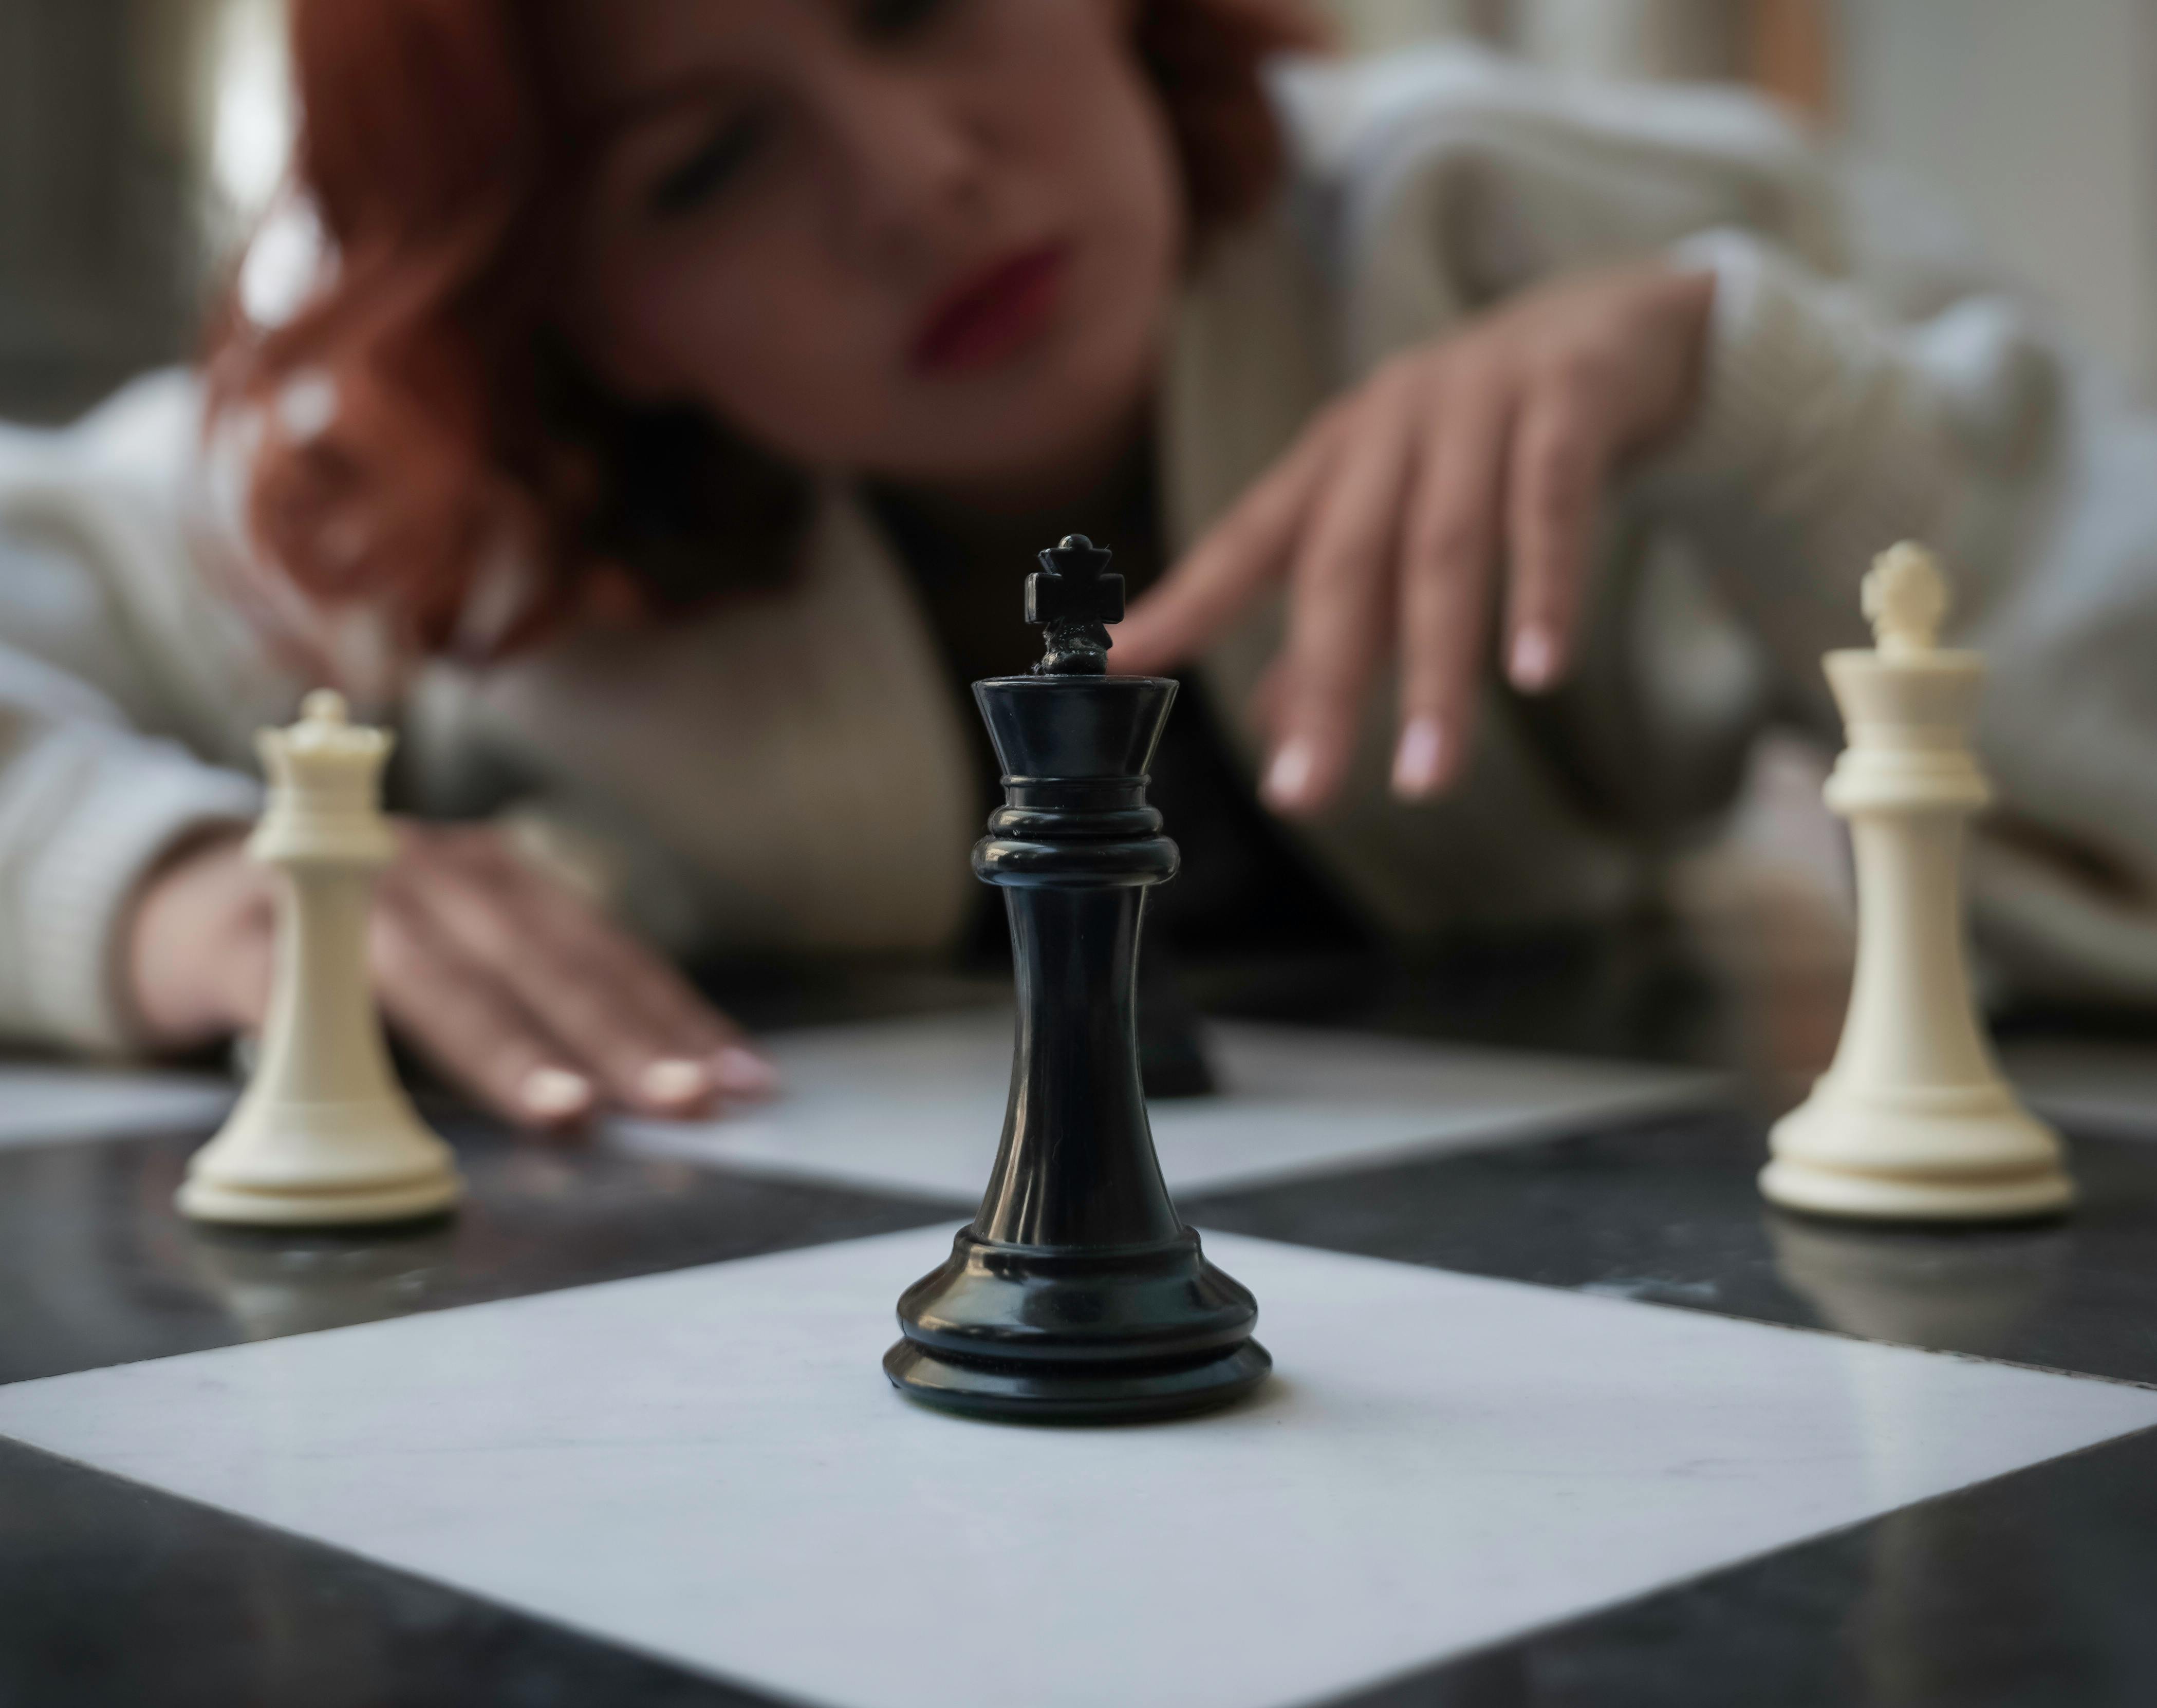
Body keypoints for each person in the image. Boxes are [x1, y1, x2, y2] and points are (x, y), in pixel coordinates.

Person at [4, 0, 2156, 1129]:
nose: (912, 178)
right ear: (576, 310)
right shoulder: (432, 509)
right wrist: (154, 883)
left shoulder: (1514, 224)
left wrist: (1746, 396)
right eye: (708, 163)